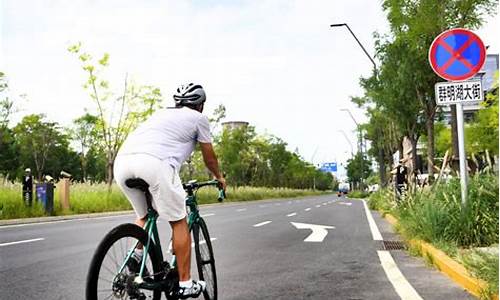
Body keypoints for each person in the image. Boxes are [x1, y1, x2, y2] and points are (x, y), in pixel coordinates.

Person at [114, 83, 226, 299]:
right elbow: (210, 158)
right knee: (178, 221)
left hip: (123, 164)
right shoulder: (199, 119)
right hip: (155, 164)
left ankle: (136, 256)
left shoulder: (160, 115)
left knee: (144, 216)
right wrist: (219, 177)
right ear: (200, 105)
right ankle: (185, 283)